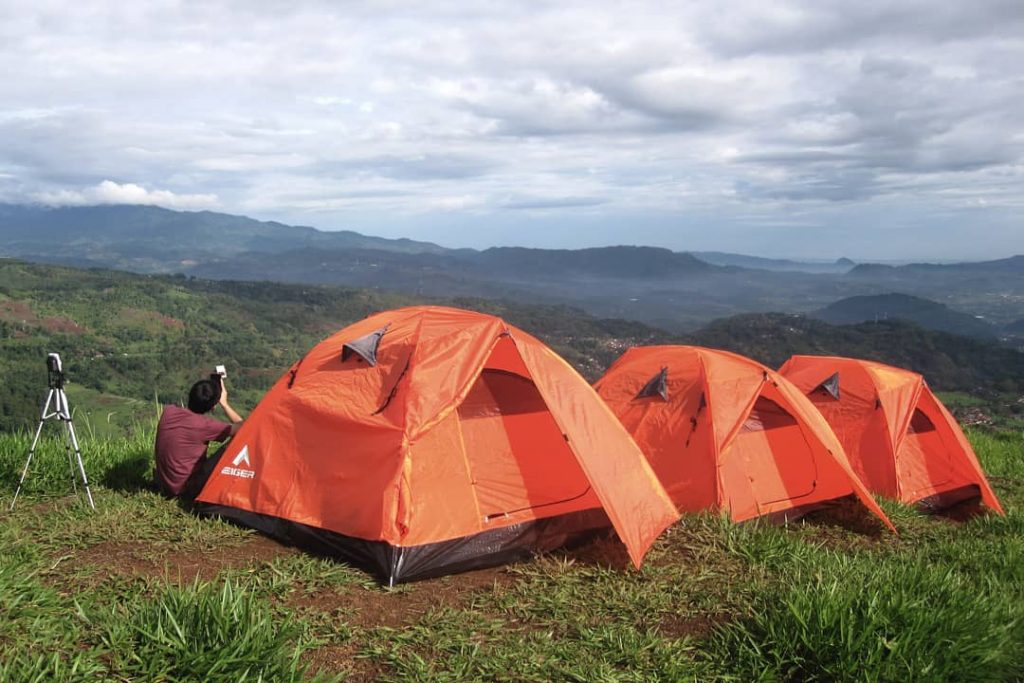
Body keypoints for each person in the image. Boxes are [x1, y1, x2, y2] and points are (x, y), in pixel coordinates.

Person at [154, 373, 244, 499]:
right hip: (186, 490)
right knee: (238, 438)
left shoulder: (168, 411)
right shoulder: (204, 426)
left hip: (163, 483)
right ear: (213, 407)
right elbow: (244, 429)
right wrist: (225, 404)